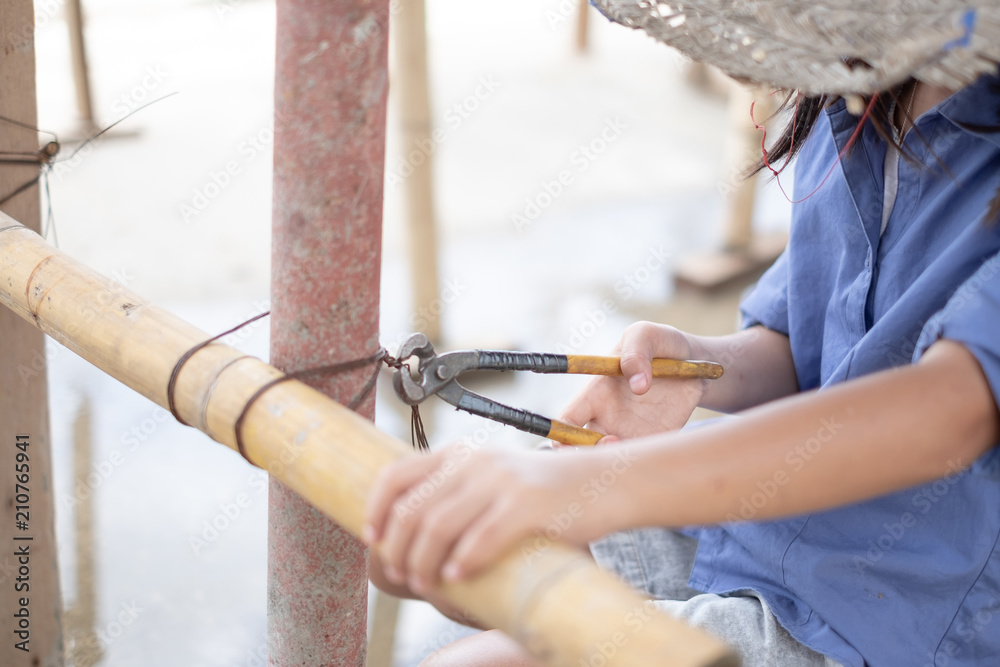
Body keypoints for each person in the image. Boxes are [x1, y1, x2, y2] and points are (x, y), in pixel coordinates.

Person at [364, 9, 1000, 667]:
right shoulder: (853, 93)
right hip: (754, 533)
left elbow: (945, 414)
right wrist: (698, 364)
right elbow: (802, 341)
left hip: (900, 616)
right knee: (433, 545)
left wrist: (589, 482)